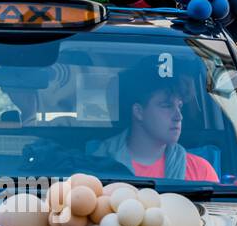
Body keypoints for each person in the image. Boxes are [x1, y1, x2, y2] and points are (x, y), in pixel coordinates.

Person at [91, 66, 219, 182]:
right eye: (167, 106)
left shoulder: (201, 172)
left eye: (179, 106)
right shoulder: (94, 168)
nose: (178, 116)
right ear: (139, 112)